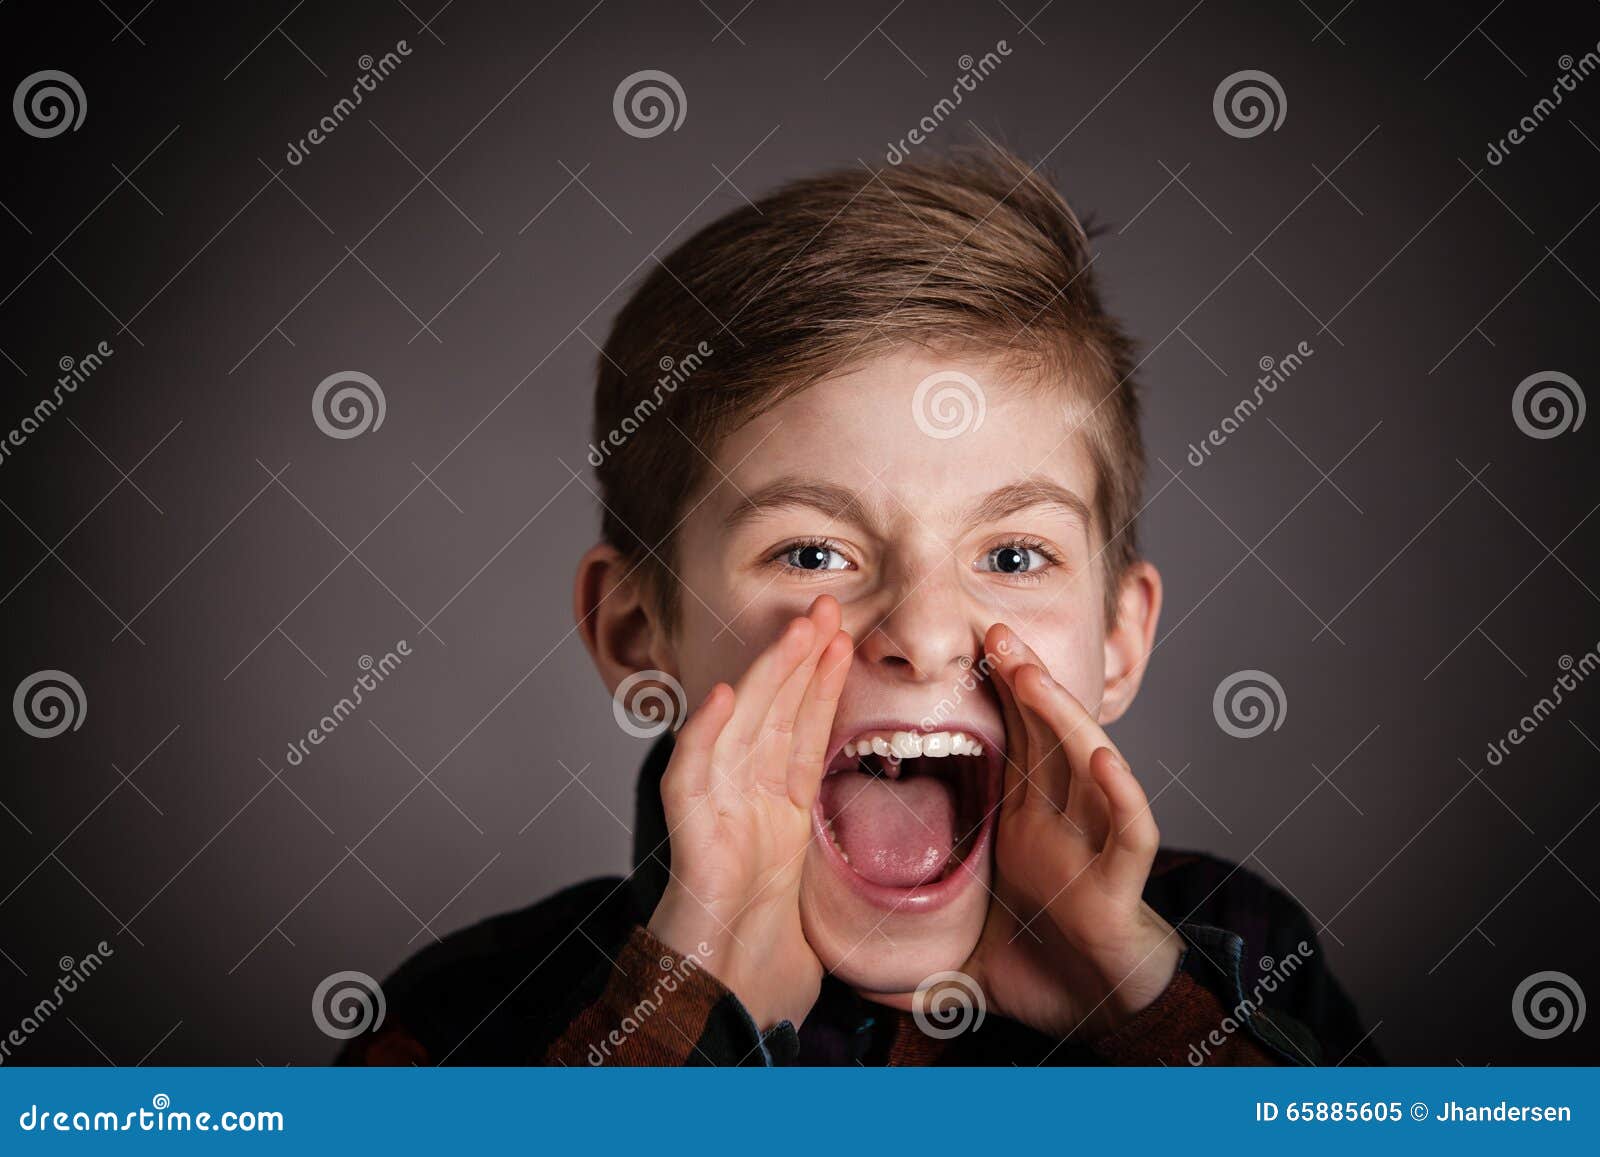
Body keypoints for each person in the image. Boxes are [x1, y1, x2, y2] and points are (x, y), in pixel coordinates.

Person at [339, 146, 1376, 1067]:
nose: (924, 636)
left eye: (1013, 553)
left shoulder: (1235, 964)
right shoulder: (469, 1016)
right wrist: (680, 1013)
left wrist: (1150, 1015)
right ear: (635, 630)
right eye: (812, 550)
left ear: (1118, 638)